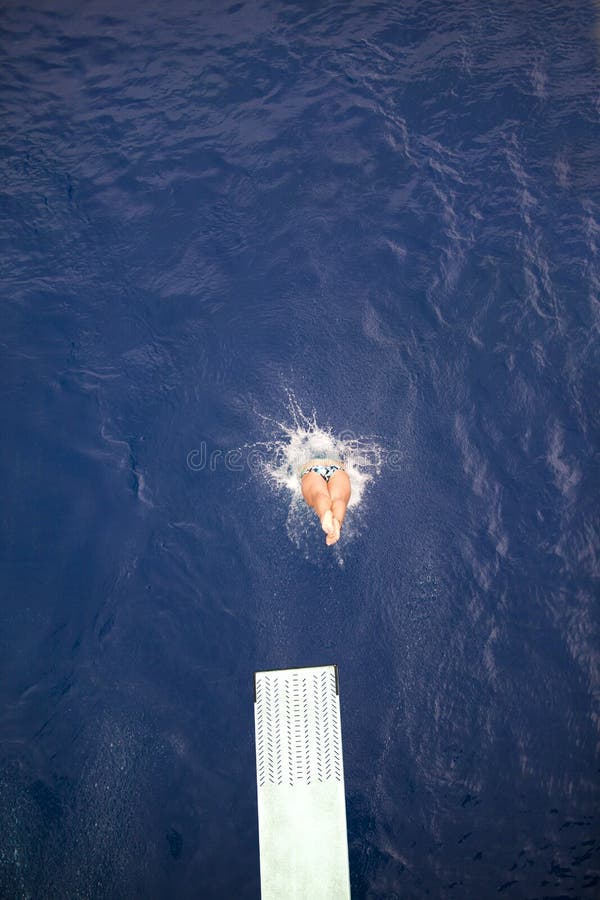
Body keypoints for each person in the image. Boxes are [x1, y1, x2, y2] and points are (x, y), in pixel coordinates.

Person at [299, 458, 351, 546]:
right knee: (339, 498)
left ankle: (325, 513)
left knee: (318, 494)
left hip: (311, 467)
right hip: (337, 467)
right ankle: (337, 521)